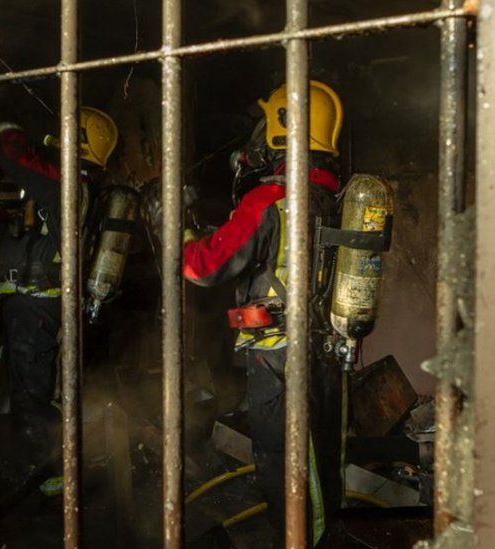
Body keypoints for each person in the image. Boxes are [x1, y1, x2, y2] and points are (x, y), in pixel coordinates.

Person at [182, 81, 344, 546]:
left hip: (280, 357)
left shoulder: (268, 199)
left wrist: (179, 232)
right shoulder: (330, 196)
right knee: (319, 458)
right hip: (325, 349)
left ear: (281, 131)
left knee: (284, 465)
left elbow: (203, 267)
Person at [0, 107, 118, 487]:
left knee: (32, 395)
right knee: (38, 387)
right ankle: (52, 468)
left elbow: (12, 158)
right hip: (42, 303)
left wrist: (8, 127)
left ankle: (48, 476)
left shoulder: (63, 182)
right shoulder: (84, 187)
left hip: (36, 305)